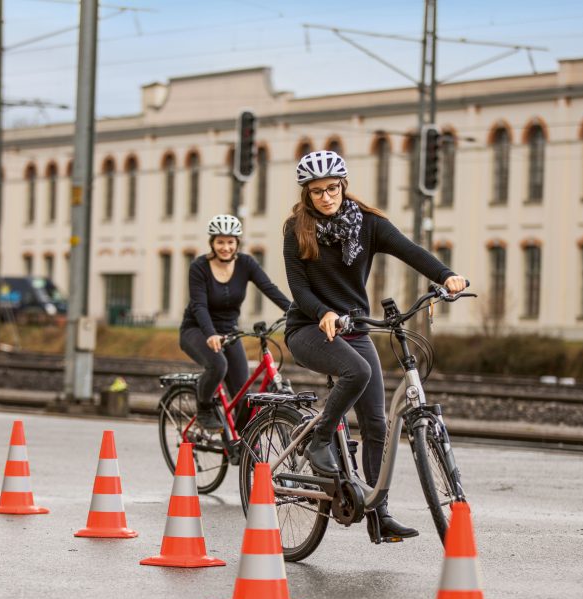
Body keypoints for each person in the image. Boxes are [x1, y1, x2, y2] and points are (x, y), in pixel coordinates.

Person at [282, 150, 467, 542]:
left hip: (354, 327)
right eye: (317, 192)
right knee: (358, 371)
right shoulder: (296, 230)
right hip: (309, 329)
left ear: (343, 186)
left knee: (377, 424)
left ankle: (378, 514)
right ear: (307, 195)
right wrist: (322, 313)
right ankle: (319, 441)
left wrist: (446, 275)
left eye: (332, 188)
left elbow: (410, 250)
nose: (327, 197)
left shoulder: (368, 224)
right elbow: (298, 288)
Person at [180, 214, 292, 431]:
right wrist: (210, 333)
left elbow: (269, 289)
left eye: (230, 242)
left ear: (237, 243)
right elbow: (199, 306)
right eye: (220, 242)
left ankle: (243, 443)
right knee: (218, 365)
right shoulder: (199, 267)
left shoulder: (246, 264)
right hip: (196, 329)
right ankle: (204, 407)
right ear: (212, 242)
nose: (225, 247)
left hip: (229, 331)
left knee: (244, 394)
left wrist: (295, 312)